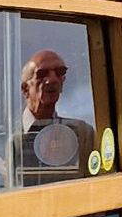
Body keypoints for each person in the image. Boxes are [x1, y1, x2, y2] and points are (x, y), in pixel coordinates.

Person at [18, 48, 96, 181]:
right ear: (26, 89)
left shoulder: (82, 133)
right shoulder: (7, 136)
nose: (52, 80)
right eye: (42, 74)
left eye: (60, 72)